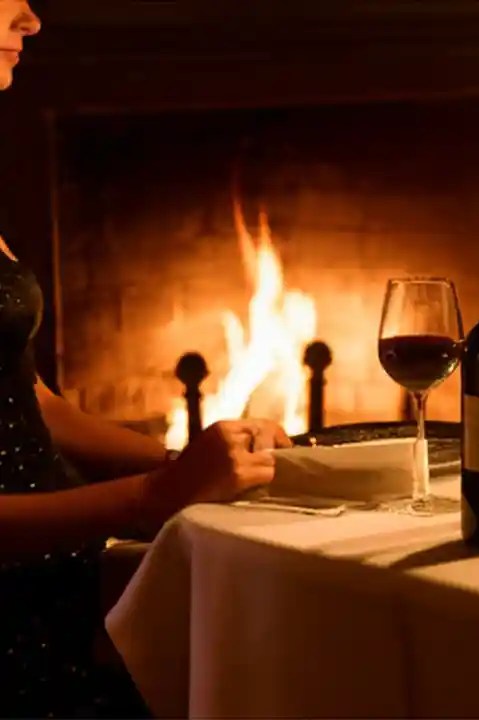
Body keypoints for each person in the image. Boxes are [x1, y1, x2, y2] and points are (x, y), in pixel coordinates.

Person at [2, 2, 290, 715]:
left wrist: (175, 461)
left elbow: (26, 398)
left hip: (67, 588)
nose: (31, 20)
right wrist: (155, 498)